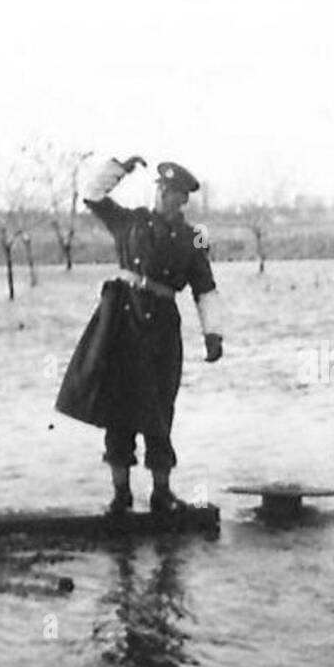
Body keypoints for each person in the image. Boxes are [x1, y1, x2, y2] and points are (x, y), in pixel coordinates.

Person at [79, 155, 223, 515]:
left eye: (172, 192)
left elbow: (205, 288)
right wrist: (120, 168)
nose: (163, 195)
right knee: (118, 406)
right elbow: (91, 194)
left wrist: (213, 334)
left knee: (160, 406)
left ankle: (161, 493)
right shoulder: (129, 221)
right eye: (161, 188)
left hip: (161, 328)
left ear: (182, 200)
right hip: (122, 323)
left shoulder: (195, 239)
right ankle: (121, 496)